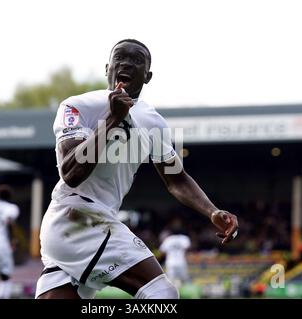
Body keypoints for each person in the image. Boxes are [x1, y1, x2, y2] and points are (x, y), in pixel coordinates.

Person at [36, 39, 238, 299]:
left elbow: (176, 179)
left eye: (137, 60)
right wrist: (112, 120)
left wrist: (212, 211)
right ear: (108, 68)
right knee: (162, 294)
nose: (127, 64)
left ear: (148, 76)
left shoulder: (153, 122)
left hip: (82, 226)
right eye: (120, 57)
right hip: (77, 215)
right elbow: (71, 173)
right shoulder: (78, 106)